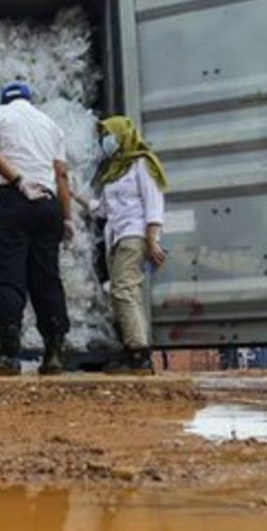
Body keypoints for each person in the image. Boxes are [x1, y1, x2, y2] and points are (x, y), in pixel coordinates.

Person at [0, 82, 72, 376]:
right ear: (30, 100)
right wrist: (67, 218)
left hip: (13, 200)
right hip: (48, 205)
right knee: (47, 279)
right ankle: (53, 354)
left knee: (7, 275)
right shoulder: (50, 125)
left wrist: (18, 180)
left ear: (5, 99)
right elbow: (61, 174)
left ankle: (9, 357)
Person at [84, 117, 167, 372]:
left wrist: (152, 240)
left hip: (135, 235)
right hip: (117, 237)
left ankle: (138, 355)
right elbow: (103, 210)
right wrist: (78, 197)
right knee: (125, 291)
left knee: (123, 290)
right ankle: (136, 350)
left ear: (122, 135)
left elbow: (153, 204)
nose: (105, 141)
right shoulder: (116, 171)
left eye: (109, 135)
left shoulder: (143, 163)